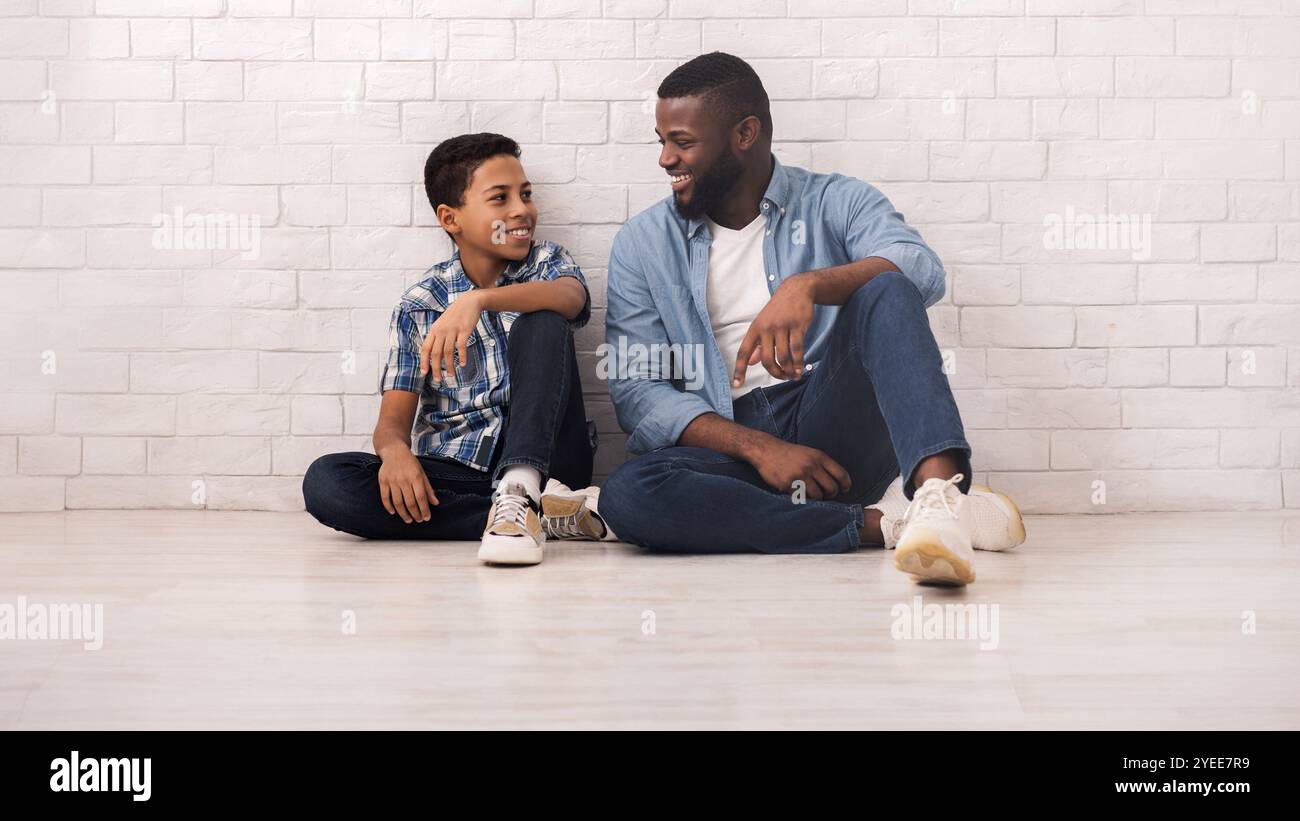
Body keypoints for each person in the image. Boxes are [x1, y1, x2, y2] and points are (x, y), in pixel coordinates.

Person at [598, 53, 1025, 586]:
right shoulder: (642, 243)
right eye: (660, 141)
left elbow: (923, 270)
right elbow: (638, 390)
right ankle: (891, 524)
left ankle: (940, 496)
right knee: (629, 495)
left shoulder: (834, 200)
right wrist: (761, 448)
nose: (665, 158)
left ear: (744, 134)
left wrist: (811, 285)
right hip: (730, 449)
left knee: (886, 284)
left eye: (681, 142)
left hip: (832, 423)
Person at [303, 133, 615, 566]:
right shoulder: (421, 305)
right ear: (451, 218)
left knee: (543, 320)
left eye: (525, 194)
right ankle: (542, 515)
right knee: (328, 482)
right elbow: (392, 424)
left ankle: (522, 490)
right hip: (460, 470)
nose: (522, 209)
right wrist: (394, 453)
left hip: (549, 461)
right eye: (500, 198)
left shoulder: (546, 263)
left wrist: (480, 299)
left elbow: (571, 299)